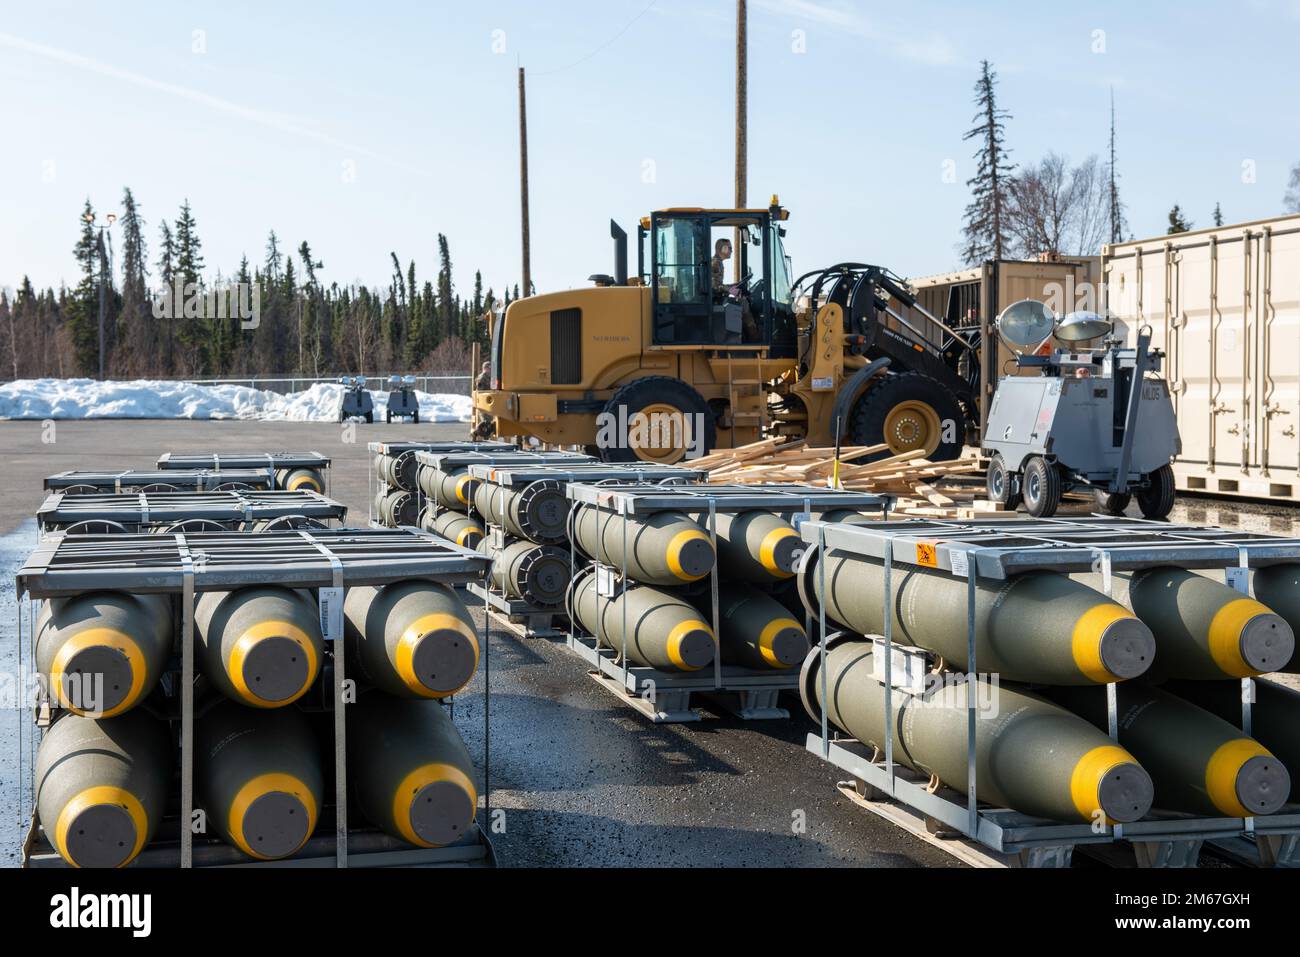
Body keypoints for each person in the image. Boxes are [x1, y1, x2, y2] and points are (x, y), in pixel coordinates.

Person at [471, 360, 494, 439]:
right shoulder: (482, 378)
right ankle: (475, 433)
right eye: (489, 368)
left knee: (489, 424)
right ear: (485, 368)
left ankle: (485, 438)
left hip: (489, 403)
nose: (490, 369)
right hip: (483, 403)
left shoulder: (490, 377)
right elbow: (480, 391)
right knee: (485, 423)